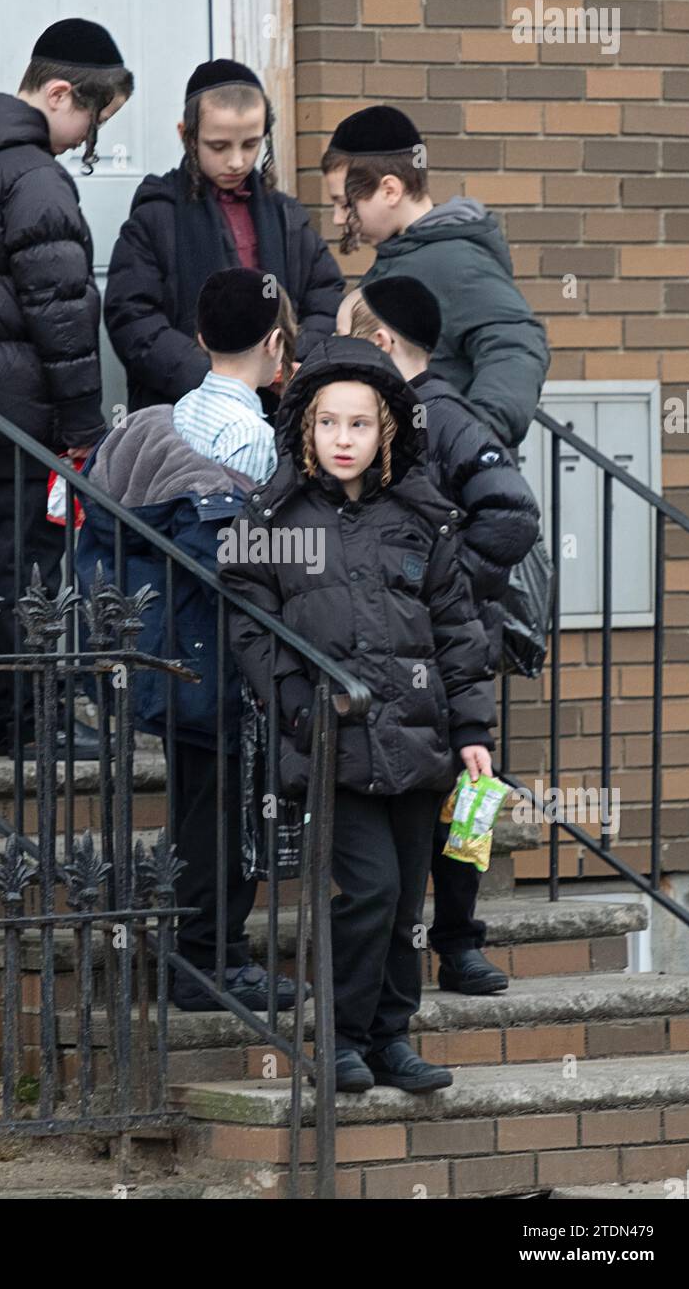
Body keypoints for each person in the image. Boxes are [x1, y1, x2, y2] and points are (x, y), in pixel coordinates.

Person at [219, 335, 498, 1093]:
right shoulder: (272, 516)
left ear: (388, 433)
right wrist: (299, 704)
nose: (343, 439)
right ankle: (338, 1037)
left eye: (360, 425)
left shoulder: (423, 516)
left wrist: (472, 731)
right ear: (305, 427)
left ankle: (390, 1039)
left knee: (409, 898)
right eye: (328, 423)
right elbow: (247, 619)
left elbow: (457, 630)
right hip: (328, 741)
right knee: (368, 889)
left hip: (417, 741)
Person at [76, 268, 304, 1012]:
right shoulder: (248, 437)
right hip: (224, 657)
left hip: (173, 652)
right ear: (276, 344)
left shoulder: (163, 418)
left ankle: (196, 948)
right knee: (226, 812)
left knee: (198, 805)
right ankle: (210, 960)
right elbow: (239, 557)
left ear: (201, 338)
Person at [0, 18, 133, 757]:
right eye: (92, 122)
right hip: (30, 416)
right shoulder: (35, 175)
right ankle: (28, 728)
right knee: (33, 570)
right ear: (59, 92)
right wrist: (83, 428)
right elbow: (63, 313)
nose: (86, 141)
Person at [338, 277, 540, 994]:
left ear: (383, 344)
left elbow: (512, 514)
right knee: (432, 799)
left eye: (348, 340)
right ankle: (434, 945)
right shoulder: (381, 419)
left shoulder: (444, 419)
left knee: (467, 796)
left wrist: (443, 587)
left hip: (448, 652)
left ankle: (458, 940)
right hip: (404, 654)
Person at [104, 58, 344, 413]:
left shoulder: (286, 216)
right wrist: (219, 379)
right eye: (219, 146)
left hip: (277, 409)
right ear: (186, 134)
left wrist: (291, 359)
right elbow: (132, 318)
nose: (237, 161)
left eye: (250, 144)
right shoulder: (156, 215)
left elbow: (326, 298)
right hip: (184, 413)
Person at [322, 105, 550, 450]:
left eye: (344, 203)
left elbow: (516, 344)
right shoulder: (401, 256)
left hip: (441, 481)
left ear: (390, 190)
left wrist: (472, 440)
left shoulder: (453, 261)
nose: (338, 219)